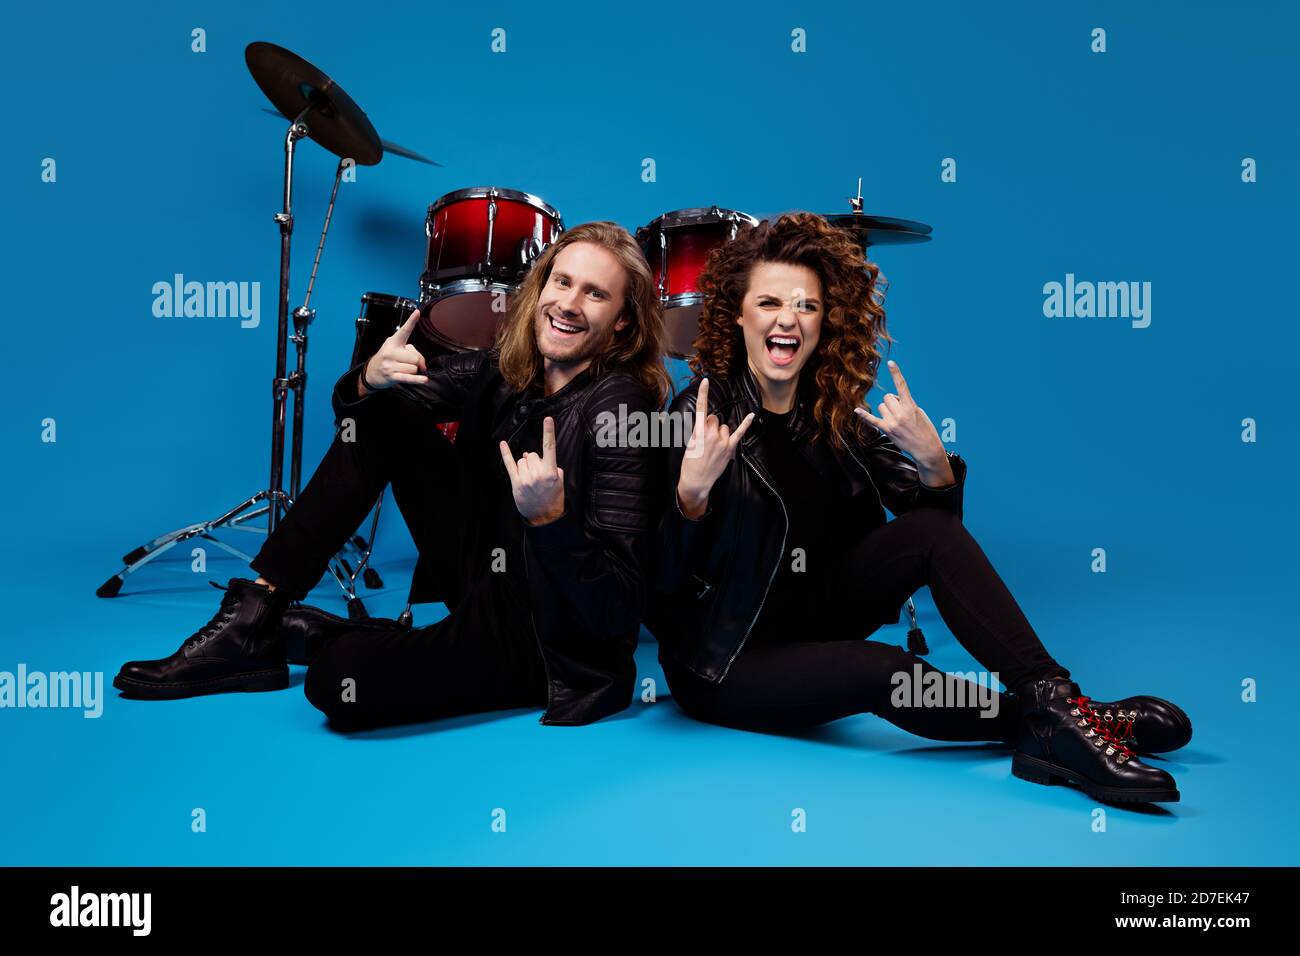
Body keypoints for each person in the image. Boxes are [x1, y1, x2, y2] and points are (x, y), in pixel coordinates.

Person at [645, 212, 1191, 803]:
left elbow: (941, 543)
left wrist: (933, 465)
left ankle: (1054, 700)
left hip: (818, 615)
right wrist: (690, 501)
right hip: (729, 658)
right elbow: (662, 593)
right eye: (770, 302)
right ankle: (1061, 724)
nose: (787, 320)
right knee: (884, 672)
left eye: (806, 306)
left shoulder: (833, 408)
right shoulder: (696, 415)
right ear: (739, 314)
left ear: (827, 319)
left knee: (927, 529)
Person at [114, 221, 672, 729]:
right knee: (383, 412)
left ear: (622, 321)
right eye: (562, 282)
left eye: (594, 294)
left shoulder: (620, 412)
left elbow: (618, 609)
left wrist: (550, 520)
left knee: (337, 682)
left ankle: (321, 635)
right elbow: (368, 417)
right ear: (541, 288)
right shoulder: (512, 367)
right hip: (482, 578)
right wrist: (366, 380)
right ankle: (256, 617)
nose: (569, 303)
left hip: (539, 641)